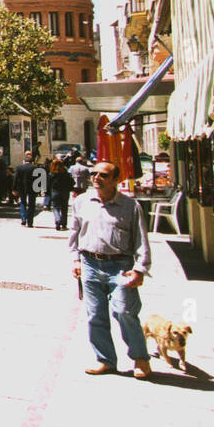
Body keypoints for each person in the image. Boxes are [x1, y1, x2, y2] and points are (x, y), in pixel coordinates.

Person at [69, 160, 153, 378]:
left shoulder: (130, 206)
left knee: (124, 311)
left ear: (116, 179)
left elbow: (141, 240)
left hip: (120, 266)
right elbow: (75, 233)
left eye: (103, 175)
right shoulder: (82, 202)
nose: (96, 178)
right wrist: (75, 260)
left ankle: (140, 359)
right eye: (94, 174)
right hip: (89, 263)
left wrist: (140, 269)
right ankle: (105, 360)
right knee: (95, 315)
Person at [13, 152, 41, 226]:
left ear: (24, 161)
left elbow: (15, 179)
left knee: (23, 203)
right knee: (31, 205)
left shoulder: (19, 168)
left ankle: (23, 218)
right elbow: (38, 180)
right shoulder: (35, 168)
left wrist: (14, 189)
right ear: (32, 162)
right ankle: (30, 222)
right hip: (32, 188)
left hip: (21, 188)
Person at [49, 155, 75, 230]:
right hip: (65, 192)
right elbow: (72, 182)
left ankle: (57, 219)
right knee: (64, 208)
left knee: (56, 207)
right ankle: (64, 224)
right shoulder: (66, 174)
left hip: (55, 192)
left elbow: (48, 184)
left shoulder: (52, 174)